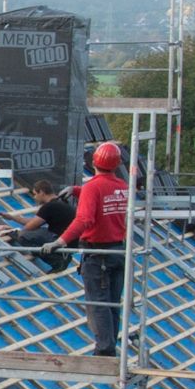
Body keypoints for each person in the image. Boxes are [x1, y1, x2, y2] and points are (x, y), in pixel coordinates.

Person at [65, 138, 131, 355]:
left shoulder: (93, 187)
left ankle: (104, 351)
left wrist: (60, 241)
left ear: (93, 162)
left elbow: (84, 219)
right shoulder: (122, 187)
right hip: (118, 252)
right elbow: (105, 195)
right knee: (112, 303)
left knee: (98, 304)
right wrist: (77, 190)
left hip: (98, 255)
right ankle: (110, 348)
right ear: (117, 164)